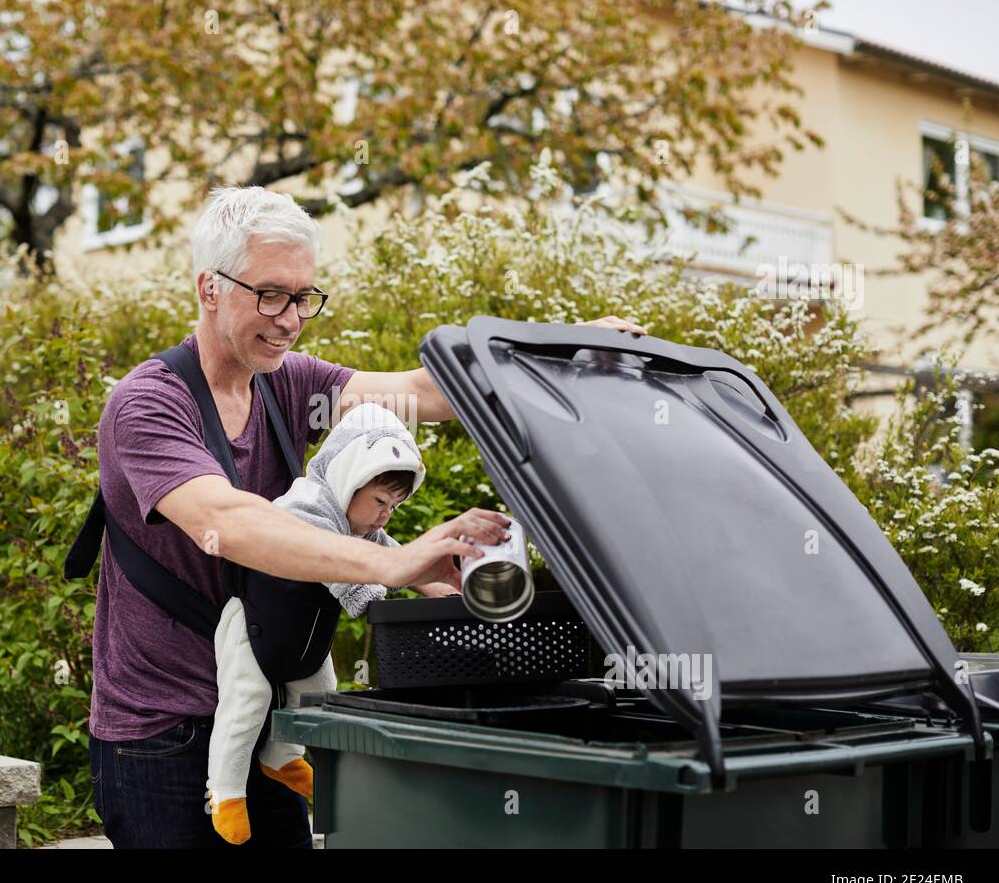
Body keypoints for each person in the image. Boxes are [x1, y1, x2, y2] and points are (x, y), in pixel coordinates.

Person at [87, 185, 646, 848]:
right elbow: (230, 525)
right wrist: (393, 562)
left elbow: (418, 392)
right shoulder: (147, 405)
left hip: (271, 720)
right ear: (210, 288)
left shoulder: (285, 381)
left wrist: (562, 355)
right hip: (163, 734)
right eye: (271, 295)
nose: (291, 319)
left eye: (304, 297)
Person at [207, 402, 443, 844]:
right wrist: (372, 597)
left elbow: (390, 555)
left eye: (394, 505)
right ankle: (225, 791)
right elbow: (337, 563)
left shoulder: (360, 526)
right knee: (247, 701)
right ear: (348, 476)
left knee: (320, 695)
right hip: (253, 624)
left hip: (303, 636)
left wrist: (430, 582)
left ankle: (281, 756)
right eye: (379, 501)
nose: (385, 515)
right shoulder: (306, 504)